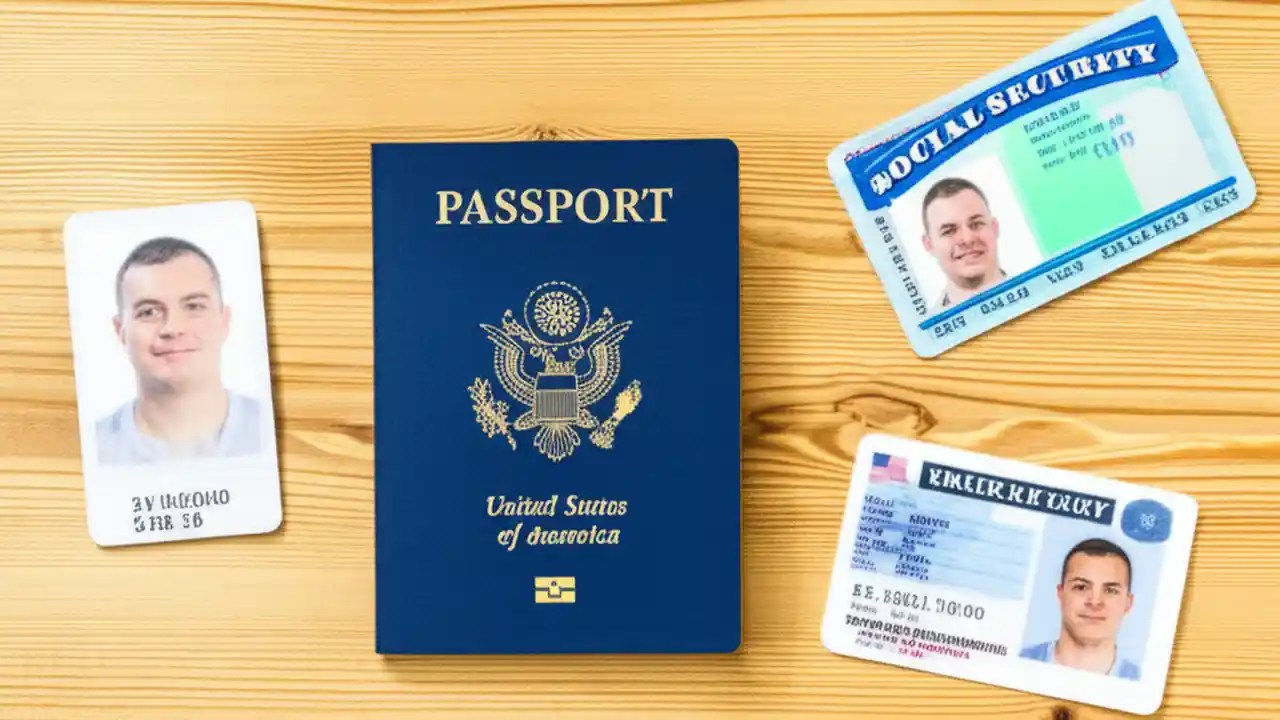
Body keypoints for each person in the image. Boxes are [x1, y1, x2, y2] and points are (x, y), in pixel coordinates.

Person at [95, 237, 260, 464]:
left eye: (193, 306)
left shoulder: (271, 431)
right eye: (149, 312)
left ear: (224, 321)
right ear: (120, 331)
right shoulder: (93, 451)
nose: (173, 328)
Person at [1021, 538, 1141, 679]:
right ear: (1060, 594)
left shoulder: (1139, 680)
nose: (1095, 602)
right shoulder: (1018, 662)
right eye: (1081, 587)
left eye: (1110, 590)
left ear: (1128, 603)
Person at [920, 177, 1008, 311]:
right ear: (929, 245)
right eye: (949, 231)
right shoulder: (928, 323)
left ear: (995, 227)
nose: (967, 239)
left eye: (976, 224)